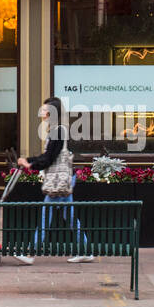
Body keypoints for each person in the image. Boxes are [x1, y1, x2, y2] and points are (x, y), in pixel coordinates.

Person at [17, 96, 93, 264]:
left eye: (44, 110)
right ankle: (86, 250)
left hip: (59, 180)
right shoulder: (56, 130)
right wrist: (29, 160)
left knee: (46, 213)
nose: (41, 112)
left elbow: (49, 158)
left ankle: (30, 254)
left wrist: (30, 165)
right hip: (65, 179)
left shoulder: (57, 131)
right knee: (70, 215)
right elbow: (47, 156)